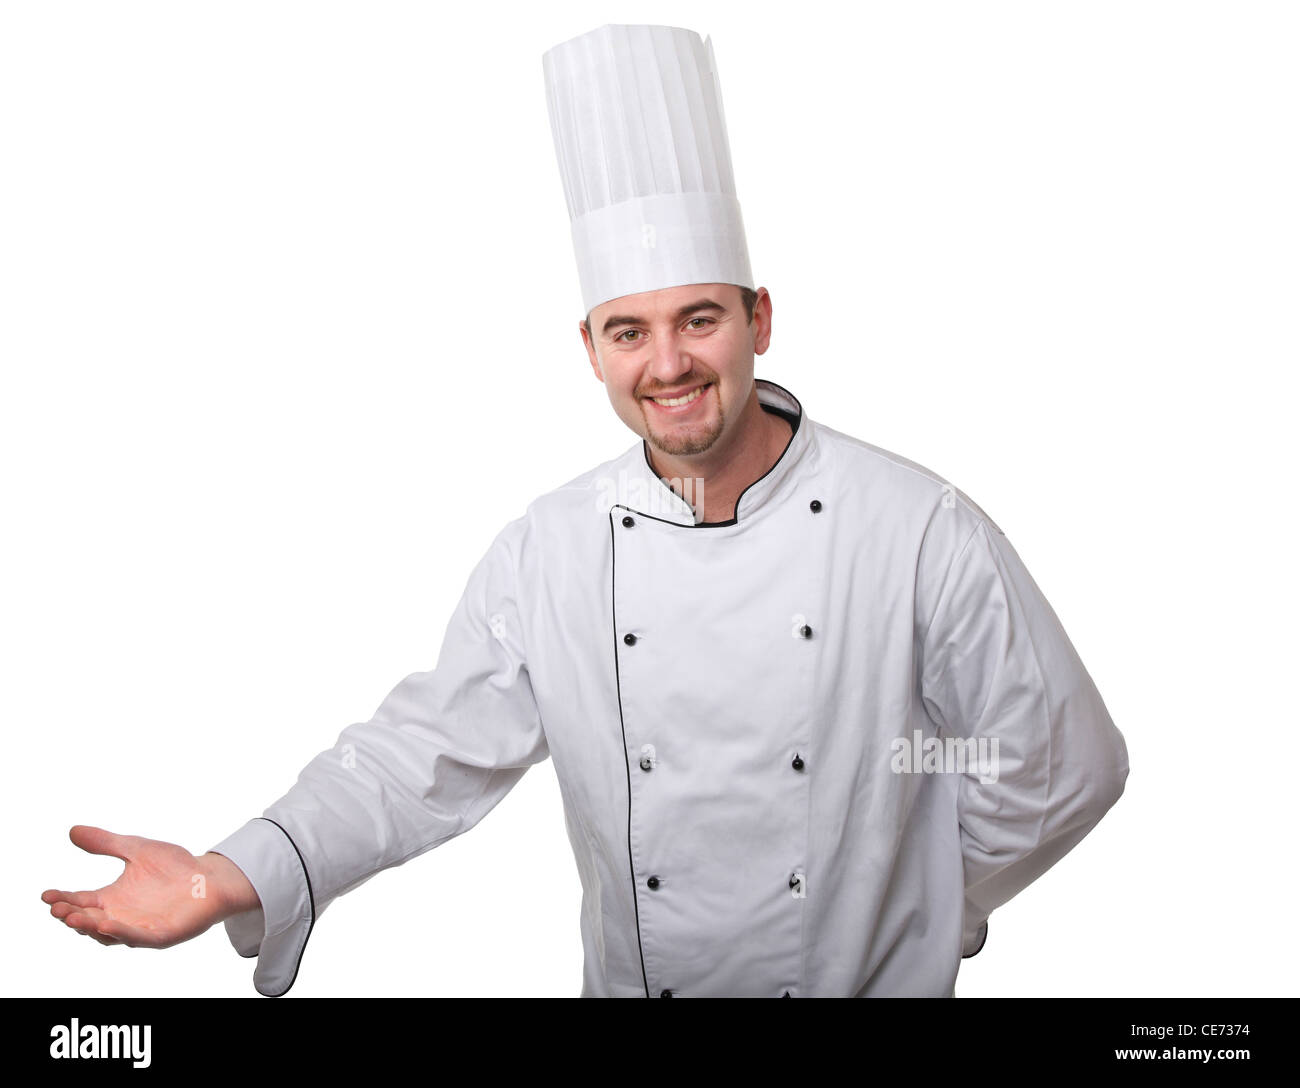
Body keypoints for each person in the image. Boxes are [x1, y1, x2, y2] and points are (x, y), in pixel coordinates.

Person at [42, 23, 1129, 998]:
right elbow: (419, 754)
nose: (667, 364)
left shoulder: (915, 528)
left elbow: (1055, 759)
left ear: (758, 317)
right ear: (589, 347)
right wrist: (231, 869)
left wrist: (917, 894)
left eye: (698, 319)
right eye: (628, 331)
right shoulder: (551, 551)